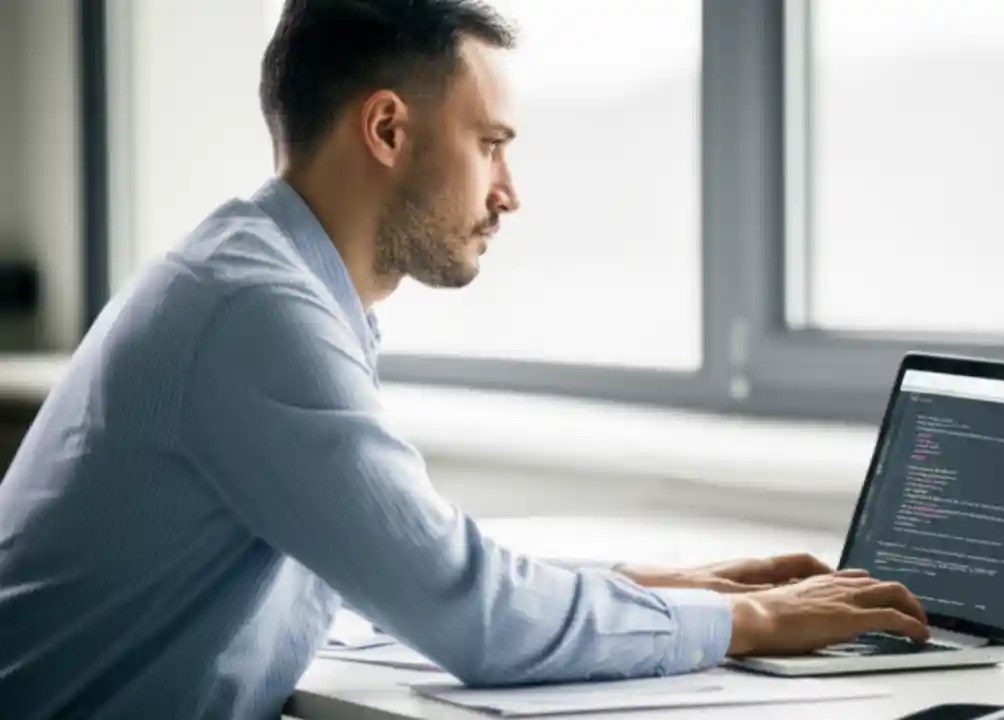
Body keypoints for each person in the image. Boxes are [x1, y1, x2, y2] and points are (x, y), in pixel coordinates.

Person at [0, 1, 929, 717]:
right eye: (490, 146)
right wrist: (749, 622)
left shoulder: (254, 279)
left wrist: (660, 587)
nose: (508, 192)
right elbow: (472, 615)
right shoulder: (256, 311)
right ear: (387, 129)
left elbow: (414, 561)